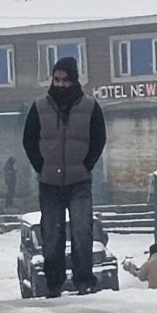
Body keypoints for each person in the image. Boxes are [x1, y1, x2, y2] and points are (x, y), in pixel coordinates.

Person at [21, 56, 105, 296]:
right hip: (49, 182)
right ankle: (54, 283)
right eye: (56, 79)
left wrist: (86, 164)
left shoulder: (90, 106)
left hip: (79, 181)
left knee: (82, 231)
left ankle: (83, 280)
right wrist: (41, 166)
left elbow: (99, 139)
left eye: (65, 80)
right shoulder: (39, 107)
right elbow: (29, 140)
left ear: (74, 80)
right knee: (52, 234)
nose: (60, 85)